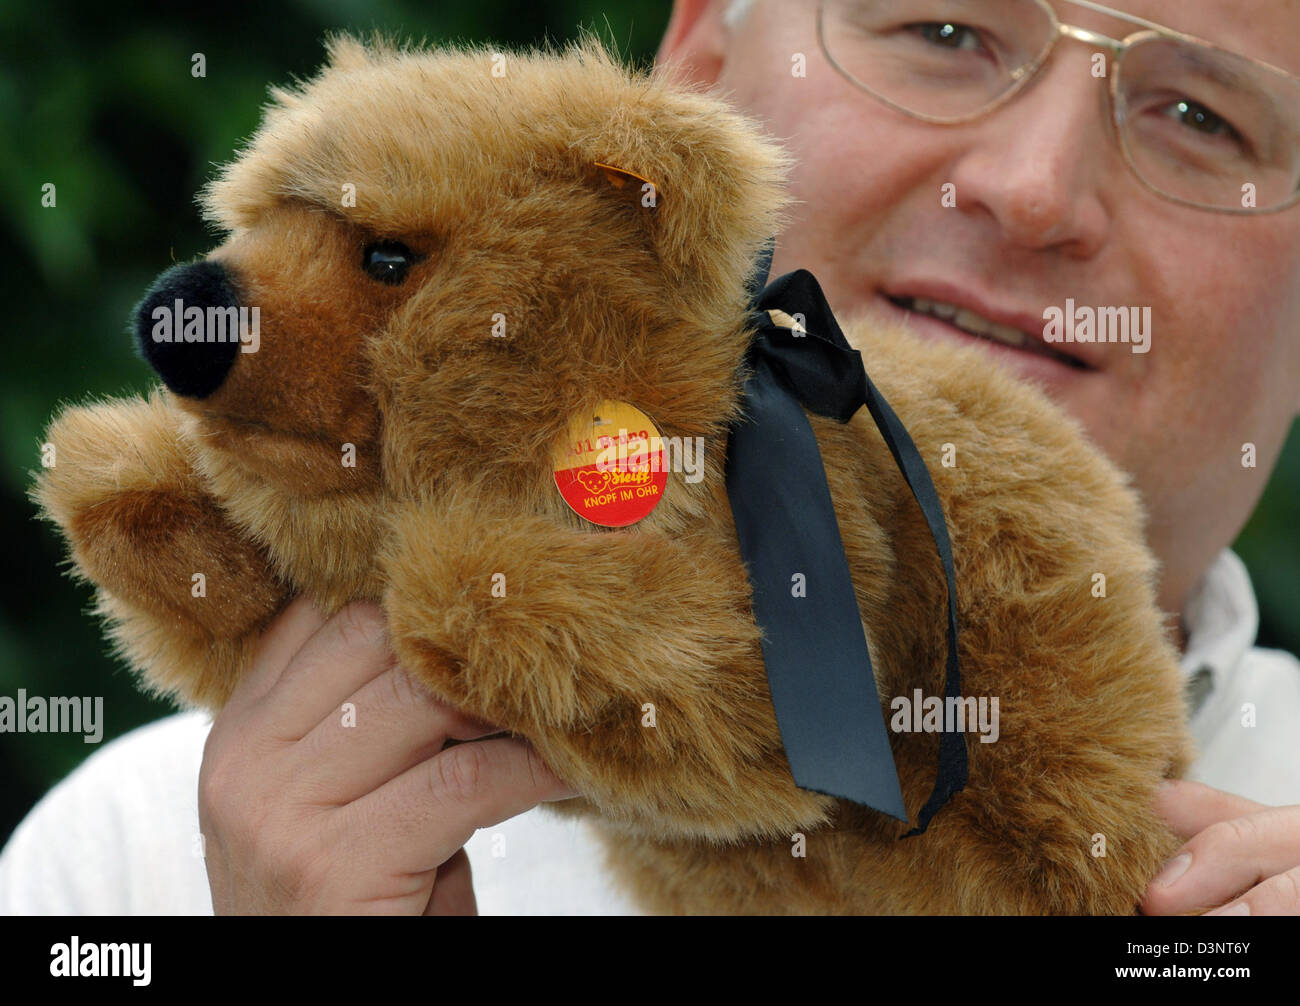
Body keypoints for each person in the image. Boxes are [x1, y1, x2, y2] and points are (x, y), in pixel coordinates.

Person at [2, 0, 1298, 915]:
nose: (1031, 188)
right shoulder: (139, 861)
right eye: (943, 34)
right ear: (692, 73)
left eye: (1201, 115)